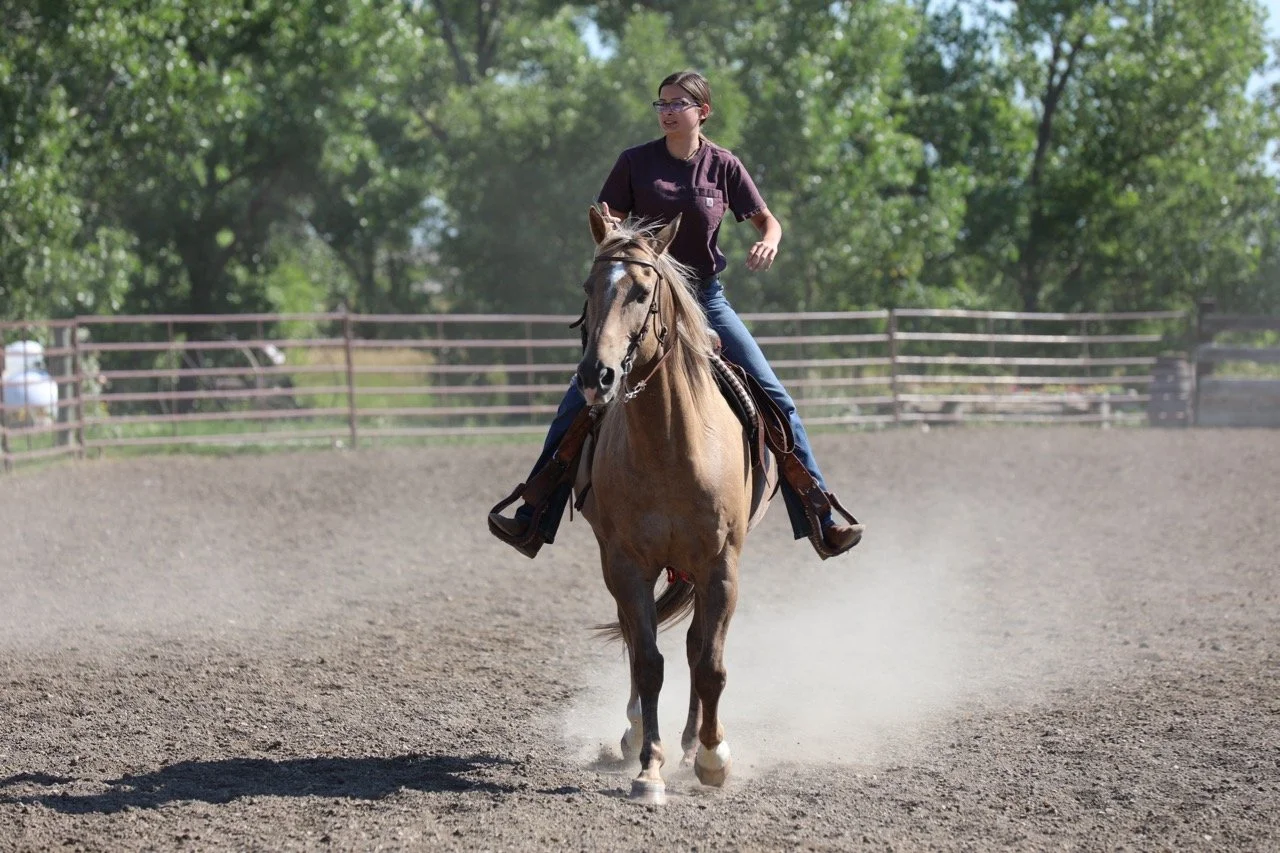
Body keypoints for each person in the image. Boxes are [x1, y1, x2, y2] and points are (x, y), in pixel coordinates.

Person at [488, 70, 863, 560]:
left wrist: (769, 239)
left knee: (776, 398)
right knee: (583, 394)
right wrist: (613, 232)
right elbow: (609, 220)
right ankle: (535, 510)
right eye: (661, 103)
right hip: (644, 298)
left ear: (702, 112)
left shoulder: (723, 166)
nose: (666, 111)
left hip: (706, 299)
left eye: (678, 103)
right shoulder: (634, 163)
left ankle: (820, 513)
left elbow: (767, 219)